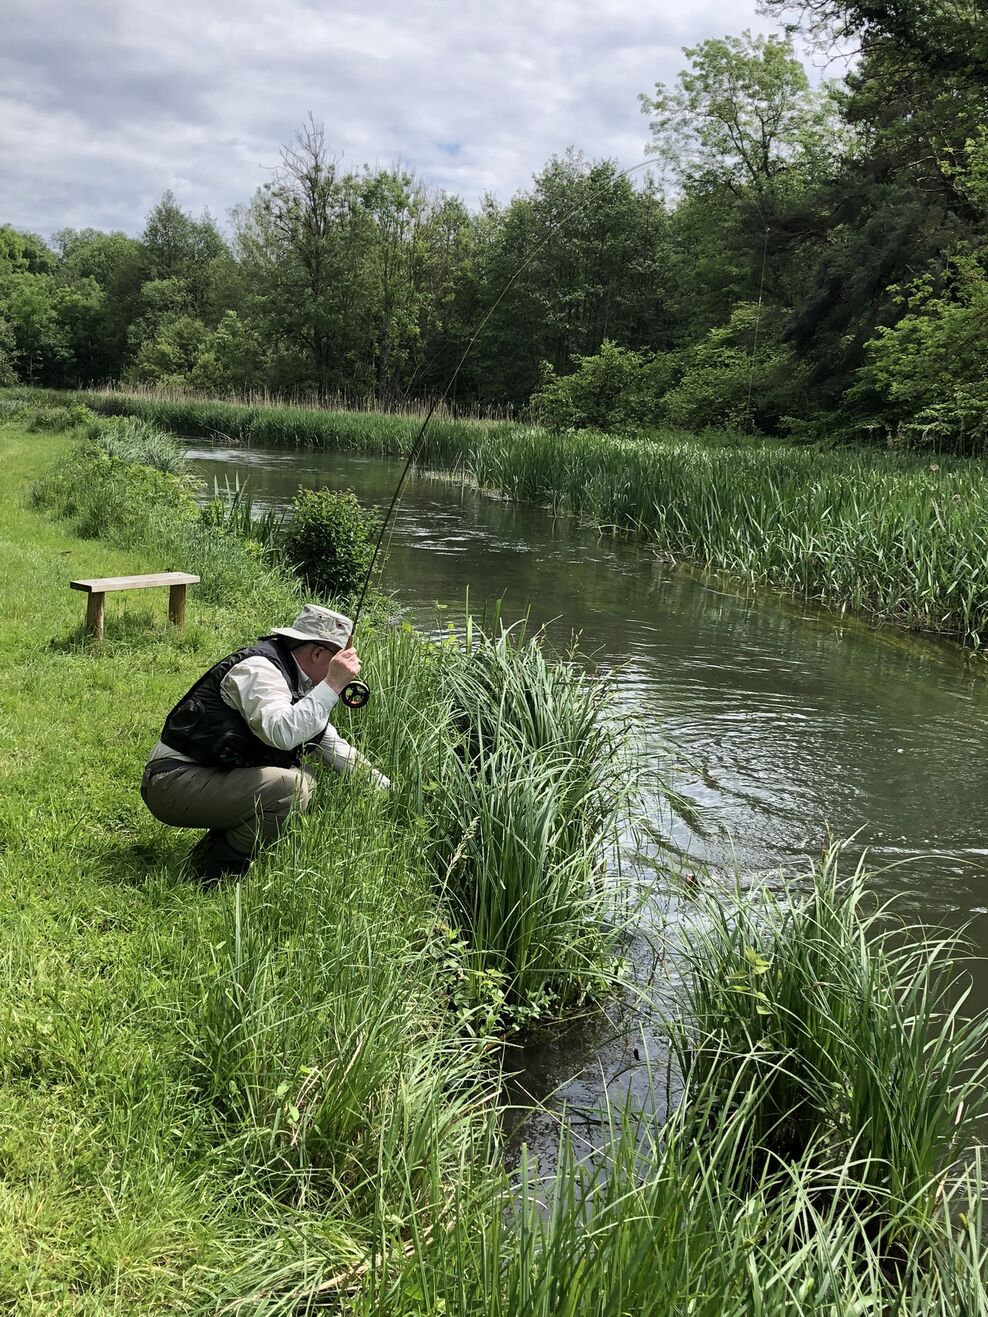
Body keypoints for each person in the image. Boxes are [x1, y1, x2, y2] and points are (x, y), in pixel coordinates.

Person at [140, 603, 389, 879]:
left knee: (305, 777)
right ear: (318, 653)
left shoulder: (297, 682)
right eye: (342, 662)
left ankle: (205, 856)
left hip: (198, 777)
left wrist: (388, 790)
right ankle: (219, 874)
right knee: (291, 788)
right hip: (171, 782)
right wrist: (332, 685)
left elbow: (333, 747)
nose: (349, 674)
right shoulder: (260, 671)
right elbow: (282, 733)